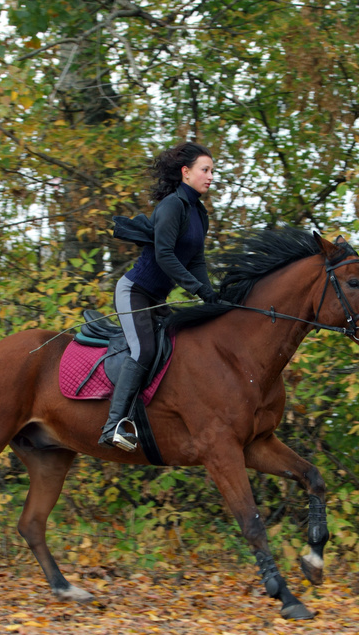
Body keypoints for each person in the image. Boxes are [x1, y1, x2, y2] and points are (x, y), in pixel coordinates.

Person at [99, 141, 218, 451]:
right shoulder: (172, 206)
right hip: (135, 292)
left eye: (212, 171)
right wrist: (196, 288)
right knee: (144, 351)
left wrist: (210, 294)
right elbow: (165, 256)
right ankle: (112, 427)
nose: (210, 177)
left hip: (157, 299)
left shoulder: (199, 213)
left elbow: (196, 261)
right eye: (205, 170)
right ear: (185, 172)